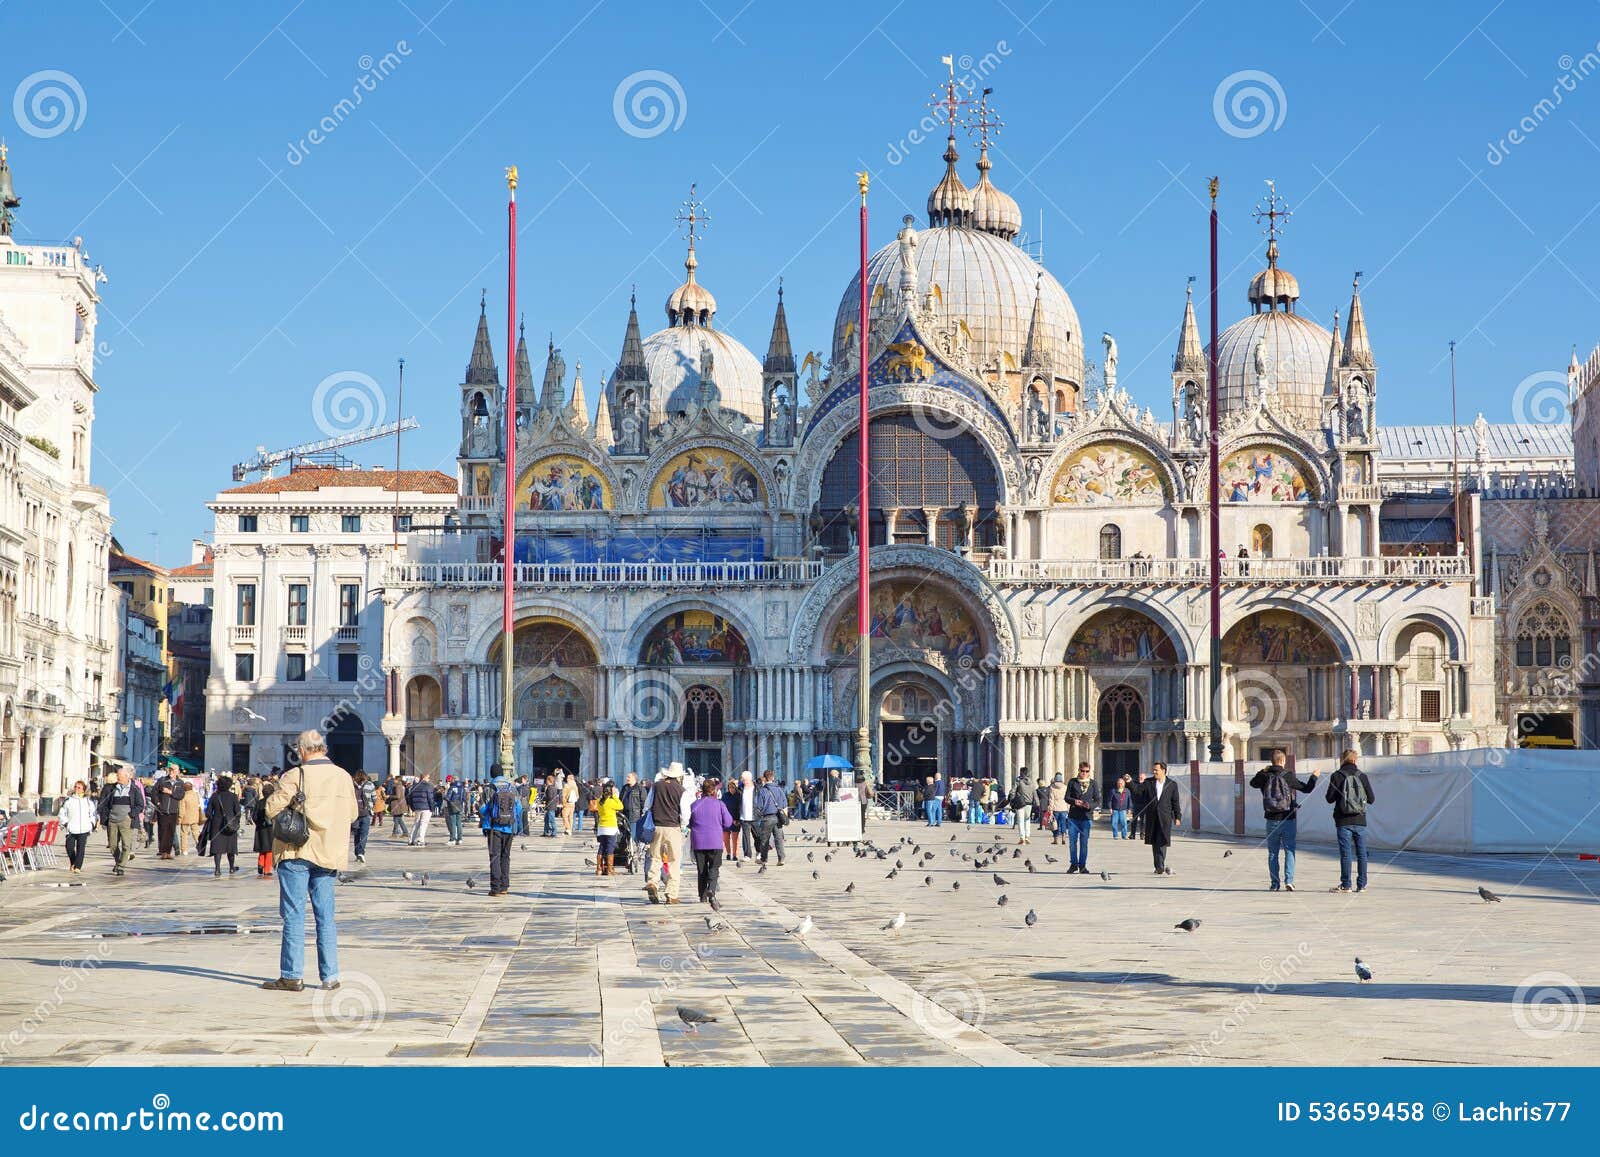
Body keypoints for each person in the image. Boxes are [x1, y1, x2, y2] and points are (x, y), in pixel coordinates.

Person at [262, 730, 358, 992]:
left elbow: (271, 808)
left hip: (297, 851)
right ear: (323, 748)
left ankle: (292, 976)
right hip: (328, 853)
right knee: (326, 916)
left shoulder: (295, 775)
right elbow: (353, 813)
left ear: (303, 750)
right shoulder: (343, 776)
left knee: (293, 914)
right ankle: (330, 977)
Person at [1248, 750, 1320, 892]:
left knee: (1273, 853)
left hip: (1271, 818)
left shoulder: (1264, 775)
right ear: (1282, 761)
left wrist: (1263, 771)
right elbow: (1307, 789)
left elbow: (1252, 783)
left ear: (1272, 761)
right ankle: (1289, 881)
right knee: (1289, 850)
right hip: (1288, 818)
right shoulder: (1288, 775)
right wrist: (1314, 777)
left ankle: (1275, 884)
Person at [1325, 749, 1376, 893]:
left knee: (1346, 854)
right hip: (1360, 820)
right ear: (1355, 760)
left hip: (1343, 820)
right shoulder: (1362, 776)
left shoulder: (1337, 776)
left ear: (1342, 759)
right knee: (1362, 853)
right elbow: (1372, 799)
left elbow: (1329, 799)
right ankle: (1362, 885)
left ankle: (1346, 885)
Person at [645, 763, 686, 905]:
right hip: (673, 828)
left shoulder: (656, 786)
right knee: (674, 861)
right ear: (679, 776)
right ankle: (671, 894)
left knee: (655, 858)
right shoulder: (681, 790)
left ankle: (652, 883)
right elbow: (685, 813)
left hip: (657, 827)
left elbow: (647, 805)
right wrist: (685, 827)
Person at [689, 778, 735, 904]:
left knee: (701, 869)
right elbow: (728, 822)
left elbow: (690, 823)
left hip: (699, 841)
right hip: (715, 841)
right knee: (714, 867)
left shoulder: (694, 805)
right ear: (714, 790)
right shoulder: (720, 804)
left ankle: (702, 896)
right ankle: (711, 889)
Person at [96, 768, 145, 876]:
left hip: (126, 820)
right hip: (112, 820)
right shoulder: (111, 788)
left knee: (126, 845)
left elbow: (140, 805)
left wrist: (131, 814)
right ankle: (119, 862)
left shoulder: (134, 789)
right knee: (113, 845)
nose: (118, 778)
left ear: (127, 777)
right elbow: (104, 803)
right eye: (118, 776)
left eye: (120, 776)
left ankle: (121, 866)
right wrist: (104, 816)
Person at [479, 773, 522, 896]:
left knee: (495, 857)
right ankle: (504, 887)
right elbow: (519, 809)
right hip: (509, 828)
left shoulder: (489, 788)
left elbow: (483, 810)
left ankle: (495, 888)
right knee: (505, 857)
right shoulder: (512, 788)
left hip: (494, 828)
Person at [1139, 761, 1183, 875]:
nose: (1154, 772)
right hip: (1152, 816)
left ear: (1163, 770)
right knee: (1155, 841)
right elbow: (1137, 790)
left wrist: (1177, 816)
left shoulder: (1172, 784)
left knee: (1163, 840)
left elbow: (1175, 802)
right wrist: (1128, 782)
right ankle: (1158, 865)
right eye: (1153, 770)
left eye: (1156, 770)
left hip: (1165, 817)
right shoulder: (1149, 782)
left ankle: (1160, 865)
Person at [201, 774, 242, 878]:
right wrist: (236, 821)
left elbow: (208, 812)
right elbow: (238, 812)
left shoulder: (214, 796)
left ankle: (217, 869)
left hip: (217, 825)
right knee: (230, 847)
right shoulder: (233, 796)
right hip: (230, 824)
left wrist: (213, 818)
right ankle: (231, 867)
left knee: (217, 848)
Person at [1065, 763, 1099, 873]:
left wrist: (1089, 806)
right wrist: (1074, 801)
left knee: (1084, 843)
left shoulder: (1093, 783)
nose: (1084, 773)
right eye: (1082, 770)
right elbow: (1066, 797)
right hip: (1073, 817)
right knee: (1072, 843)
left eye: (1087, 771)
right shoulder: (1072, 782)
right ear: (1078, 770)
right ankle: (1073, 864)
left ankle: (1082, 865)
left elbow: (1097, 800)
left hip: (1086, 817)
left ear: (1090, 772)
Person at [151, 765, 188, 859]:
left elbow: (180, 796)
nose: (171, 772)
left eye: (173, 770)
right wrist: (158, 803)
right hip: (162, 810)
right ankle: (163, 852)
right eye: (170, 770)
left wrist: (170, 792)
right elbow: (154, 792)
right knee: (163, 831)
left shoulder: (180, 783)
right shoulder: (162, 780)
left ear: (177, 771)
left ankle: (168, 852)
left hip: (173, 810)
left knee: (171, 832)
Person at [60, 780, 97, 874]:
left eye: (79, 787)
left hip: (84, 828)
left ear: (83, 790)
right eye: (75, 787)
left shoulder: (88, 801)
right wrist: (65, 823)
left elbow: (93, 814)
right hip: (71, 828)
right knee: (69, 847)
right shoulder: (68, 800)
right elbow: (62, 813)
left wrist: (92, 824)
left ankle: (78, 866)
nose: (76, 789)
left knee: (81, 848)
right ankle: (73, 862)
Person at [754, 770, 787, 866]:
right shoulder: (779, 789)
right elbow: (784, 803)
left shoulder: (763, 791)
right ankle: (781, 859)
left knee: (765, 839)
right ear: (773, 778)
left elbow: (759, 806)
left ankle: (764, 859)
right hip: (778, 817)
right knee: (778, 838)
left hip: (767, 818)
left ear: (764, 778)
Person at [594, 781, 624, 876]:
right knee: (610, 848)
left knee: (602, 846)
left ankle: (599, 868)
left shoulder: (599, 801)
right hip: (610, 827)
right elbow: (620, 806)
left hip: (602, 827)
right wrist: (614, 796)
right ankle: (610, 869)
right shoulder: (611, 802)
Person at [253, 778, 277, 877]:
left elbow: (254, 816)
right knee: (269, 849)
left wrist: (258, 823)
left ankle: (260, 863)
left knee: (262, 847)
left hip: (260, 828)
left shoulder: (259, 802)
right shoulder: (273, 802)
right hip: (270, 828)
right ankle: (267, 869)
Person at [351, 771, 376, 863]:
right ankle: (361, 852)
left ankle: (357, 853)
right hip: (366, 812)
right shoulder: (370, 784)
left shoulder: (351, 785)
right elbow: (374, 798)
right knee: (364, 834)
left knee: (356, 834)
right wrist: (371, 805)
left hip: (355, 812)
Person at [406, 774, 435, 847]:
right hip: (426, 808)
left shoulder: (414, 787)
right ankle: (420, 840)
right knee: (423, 824)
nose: (429, 779)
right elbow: (430, 799)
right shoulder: (428, 787)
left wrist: (413, 807)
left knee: (416, 823)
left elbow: (409, 798)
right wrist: (432, 808)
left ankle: (411, 840)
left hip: (417, 808)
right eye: (428, 778)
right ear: (424, 778)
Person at [176, 775, 202, 856]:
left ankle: (184, 850)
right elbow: (199, 805)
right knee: (196, 833)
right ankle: (200, 847)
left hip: (185, 818)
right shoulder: (196, 795)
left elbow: (182, 809)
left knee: (184, 834)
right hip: (195, 817)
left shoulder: (183, 796)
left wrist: (179, 819)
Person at [442, 775, 468, 847]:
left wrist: (444, 796)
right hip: (459, 806)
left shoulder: (452, 787)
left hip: (452, 807)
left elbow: (448, 798)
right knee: (459, 823)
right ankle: (460, 839)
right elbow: (464, 798)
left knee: (453, 823)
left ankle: (452, 839)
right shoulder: (462, 788)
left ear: (453, 780)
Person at [1009, 771, 1034, 843]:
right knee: (1027, 819)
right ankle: (1027, 836)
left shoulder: (1018, 781)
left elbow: (1013, 791)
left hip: (1020, 803)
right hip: (1029, 803)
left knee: (1020, 821)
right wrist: (1037, 802)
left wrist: (1012, 799)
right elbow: (1034, 792)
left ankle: (1022, 838)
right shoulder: (1031, 782)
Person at [1047, 773, 1069, 845]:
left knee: (1055, 824)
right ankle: (1063, 838)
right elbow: (1067, 798)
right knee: (1063, 824)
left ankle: (1056, 839)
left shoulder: (1052, 787)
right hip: (1064, 808)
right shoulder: (1065, 787)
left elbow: (1051, 799)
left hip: (1055, 808)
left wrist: (1050, 809)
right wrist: (1068, 807)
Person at [560, 773, 578, 837]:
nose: (566, 779)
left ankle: (568, 828)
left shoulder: (567, 786)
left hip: (567, 803)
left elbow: (563, 795)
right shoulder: (575, 786)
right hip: (573, 803)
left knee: (564, 816)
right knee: (570, 817)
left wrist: (563, 803)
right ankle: (569, 830)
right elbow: (577, 796)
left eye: (568, 778)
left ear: (570, 779)